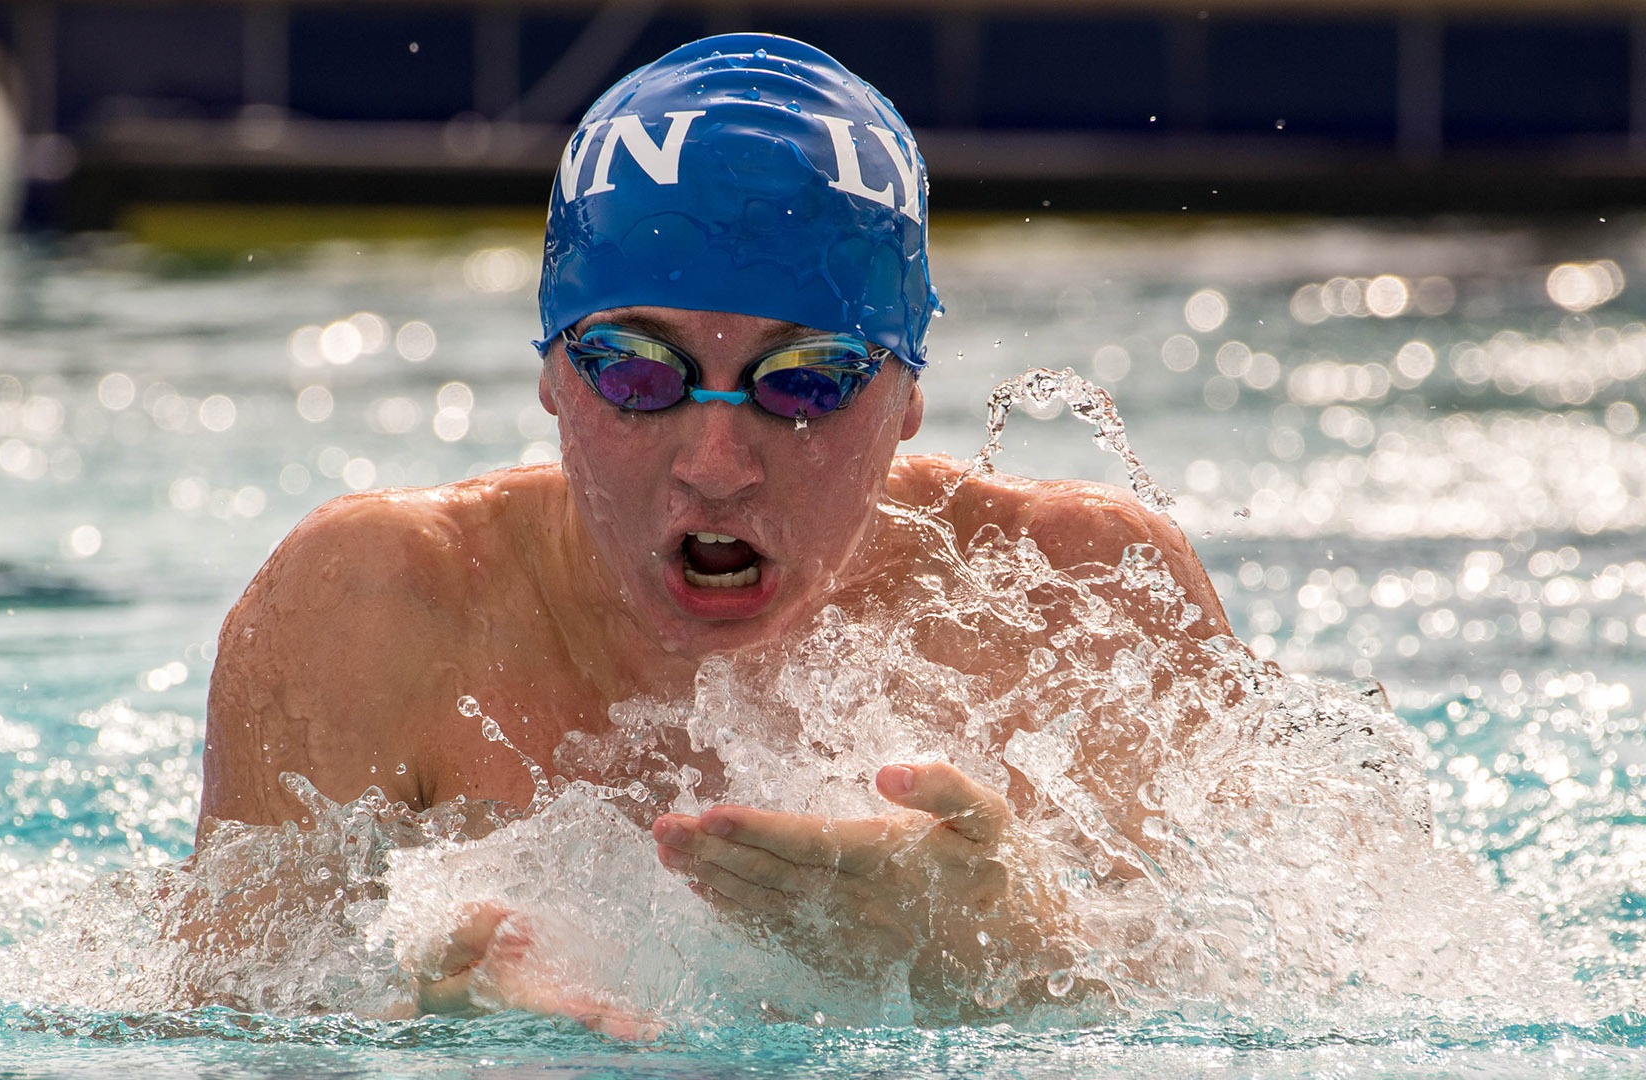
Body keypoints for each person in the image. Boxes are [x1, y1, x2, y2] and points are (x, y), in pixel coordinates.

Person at [197, 32, 1229, 1027]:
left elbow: (1270, 989)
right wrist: (424, 1023)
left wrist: (1000, 947)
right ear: (555, 373)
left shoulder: (1076, 594)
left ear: (908, 394)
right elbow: (207, 1024)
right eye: (639, 372)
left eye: (808, 382)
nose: (715, 467)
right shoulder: (375, 607)